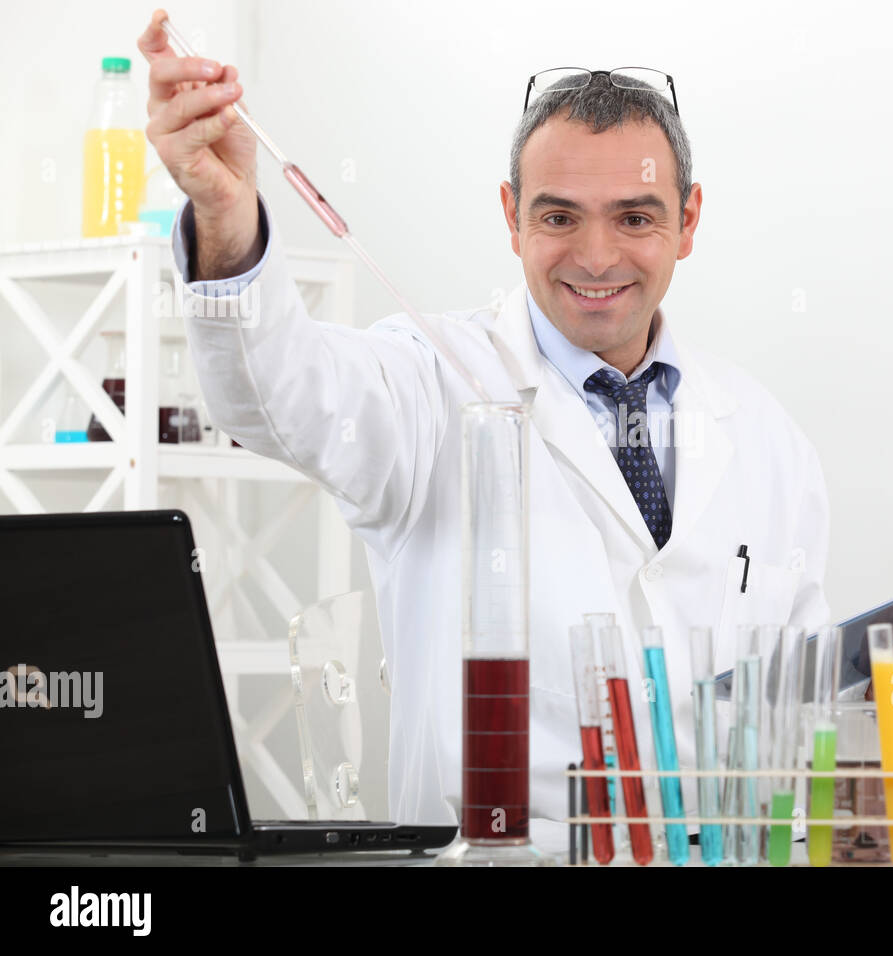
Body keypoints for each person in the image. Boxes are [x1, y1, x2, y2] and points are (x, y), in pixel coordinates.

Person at [138, 9, 831, 851]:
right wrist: (226, 214)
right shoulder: (429, 383)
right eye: (559, 216)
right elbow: (277, 394)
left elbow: (798, 700)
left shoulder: (765, 437)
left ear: (688, 222)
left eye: (636, 217)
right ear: (512, 216)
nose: (598, 256)